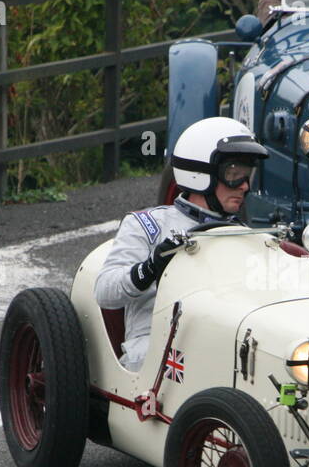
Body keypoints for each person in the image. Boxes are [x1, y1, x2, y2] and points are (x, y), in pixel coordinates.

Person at [95, 117, 266, 370]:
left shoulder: (246, 235)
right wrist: (149, 268)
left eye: (247, 175)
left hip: (223, 339)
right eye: (233, 174)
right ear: (201, 175)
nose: (244, 186)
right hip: (154, 345)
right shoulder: (147, 225)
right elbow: (104, 293)